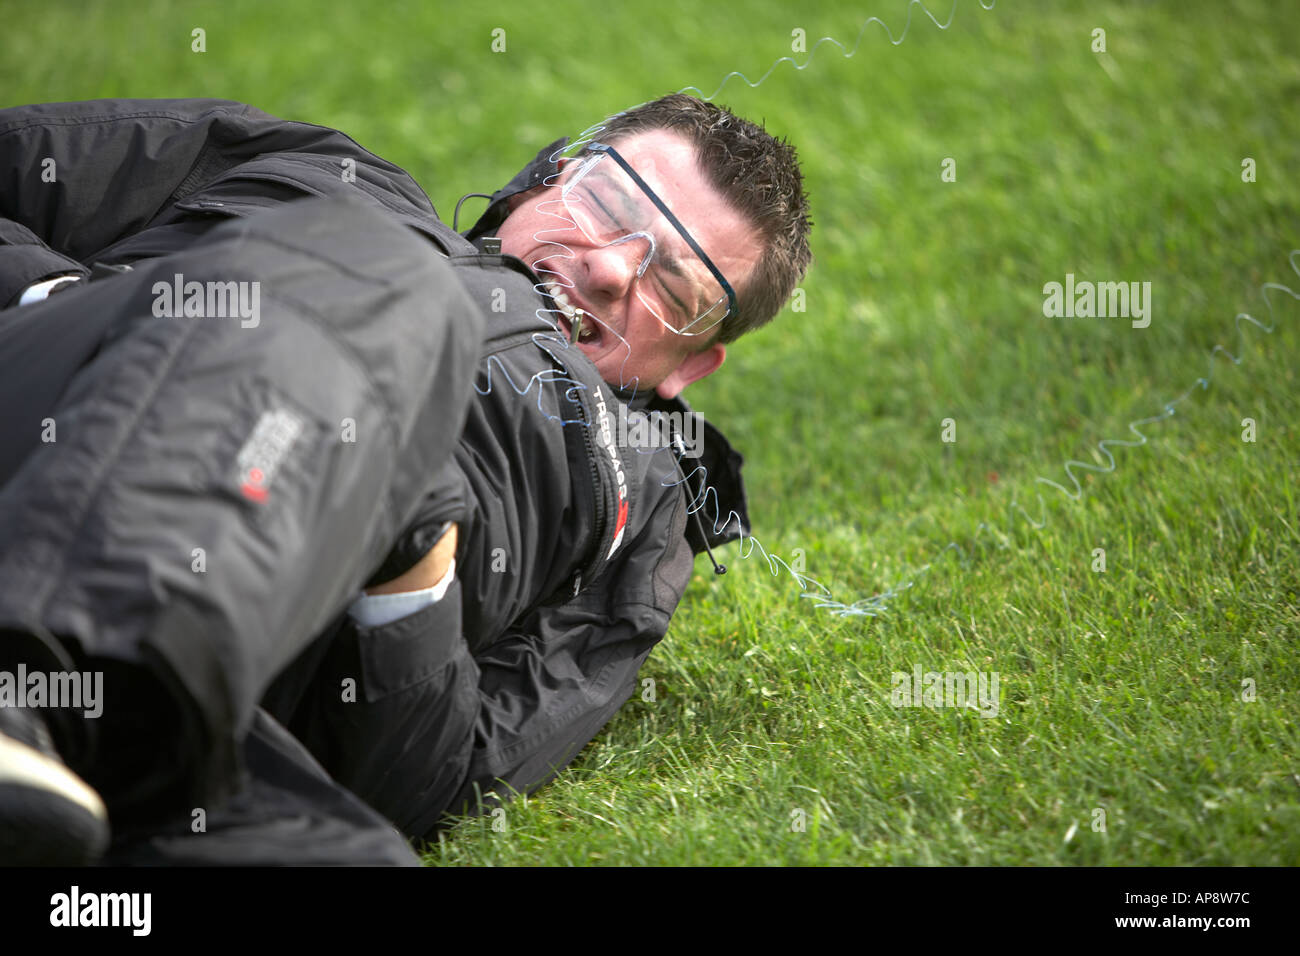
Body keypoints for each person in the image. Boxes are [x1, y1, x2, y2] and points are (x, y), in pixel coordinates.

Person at [0, 93, 811, 865]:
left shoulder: (639, 521)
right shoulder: (326, 176)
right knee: (387, 275)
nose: (607, 269)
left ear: (692, 365)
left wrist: (414, 559)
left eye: (675, 286)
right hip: (50, 416)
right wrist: (97, 309)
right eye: (607, 203)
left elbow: (431, 784)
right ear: (547, 174)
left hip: (217, 714)